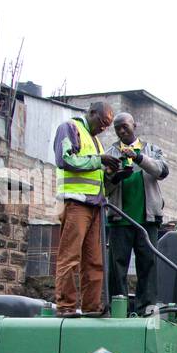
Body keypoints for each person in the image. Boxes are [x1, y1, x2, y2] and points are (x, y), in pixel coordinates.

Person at [54, 101, 121, 317]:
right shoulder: (70, 128)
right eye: (102, 123)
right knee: (70, 256)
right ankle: (66, 307)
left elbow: (96, 174)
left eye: (106, 126)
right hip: (76, 203)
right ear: (91, 113)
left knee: (94, 261)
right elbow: (65, 159)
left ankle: (92, 308)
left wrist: (113, 173)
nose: (103, 128)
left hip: (95, 206)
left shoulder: (96, 142)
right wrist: (99, 160)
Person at [104, 112, 169, 315]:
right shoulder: (110, 153)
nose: (122, 131)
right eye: (117, 128)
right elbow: (103, 187)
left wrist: (138, 157)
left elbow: (162, 171)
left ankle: (146, 309)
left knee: (148, 264)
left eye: (125, 126)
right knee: (117, 266)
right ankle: (118, 309)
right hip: (119, 219)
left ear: (135, 125)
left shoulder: (151, 150)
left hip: (147, 219)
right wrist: (115, 177)